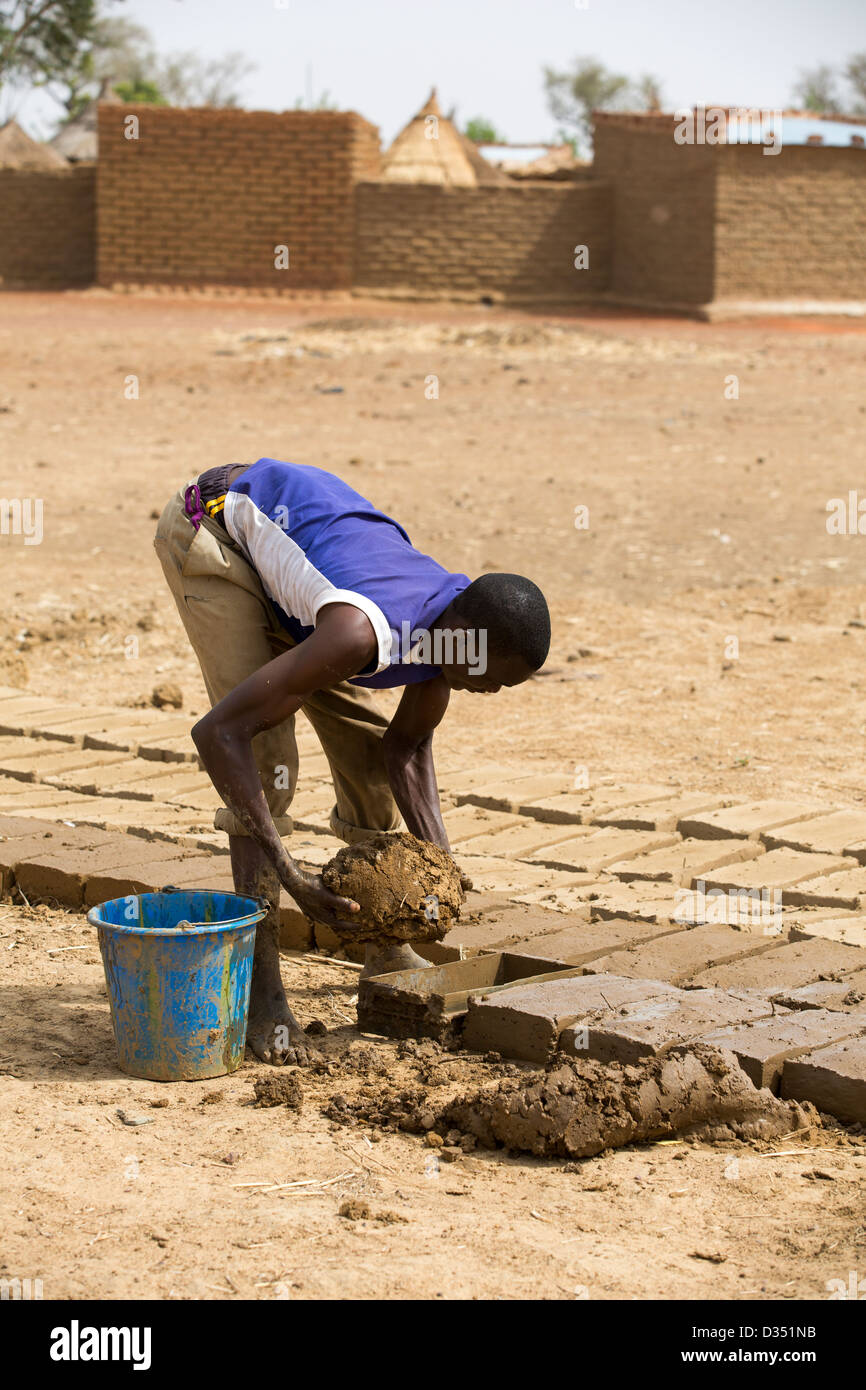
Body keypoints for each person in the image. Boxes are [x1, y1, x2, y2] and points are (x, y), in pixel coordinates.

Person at [154, 457, 550, 1064]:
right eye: (492, 680)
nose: (493, 692)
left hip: (305, 577)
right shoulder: (364, 633)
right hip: (217, 536)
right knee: (265, 755)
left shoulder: (449, 627)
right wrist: (291, 873)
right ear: (469, 639)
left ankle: (385, 944)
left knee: (367, 757)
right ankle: (263, 996)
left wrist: (441, 865)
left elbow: (405, 749)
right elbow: (217, 734)